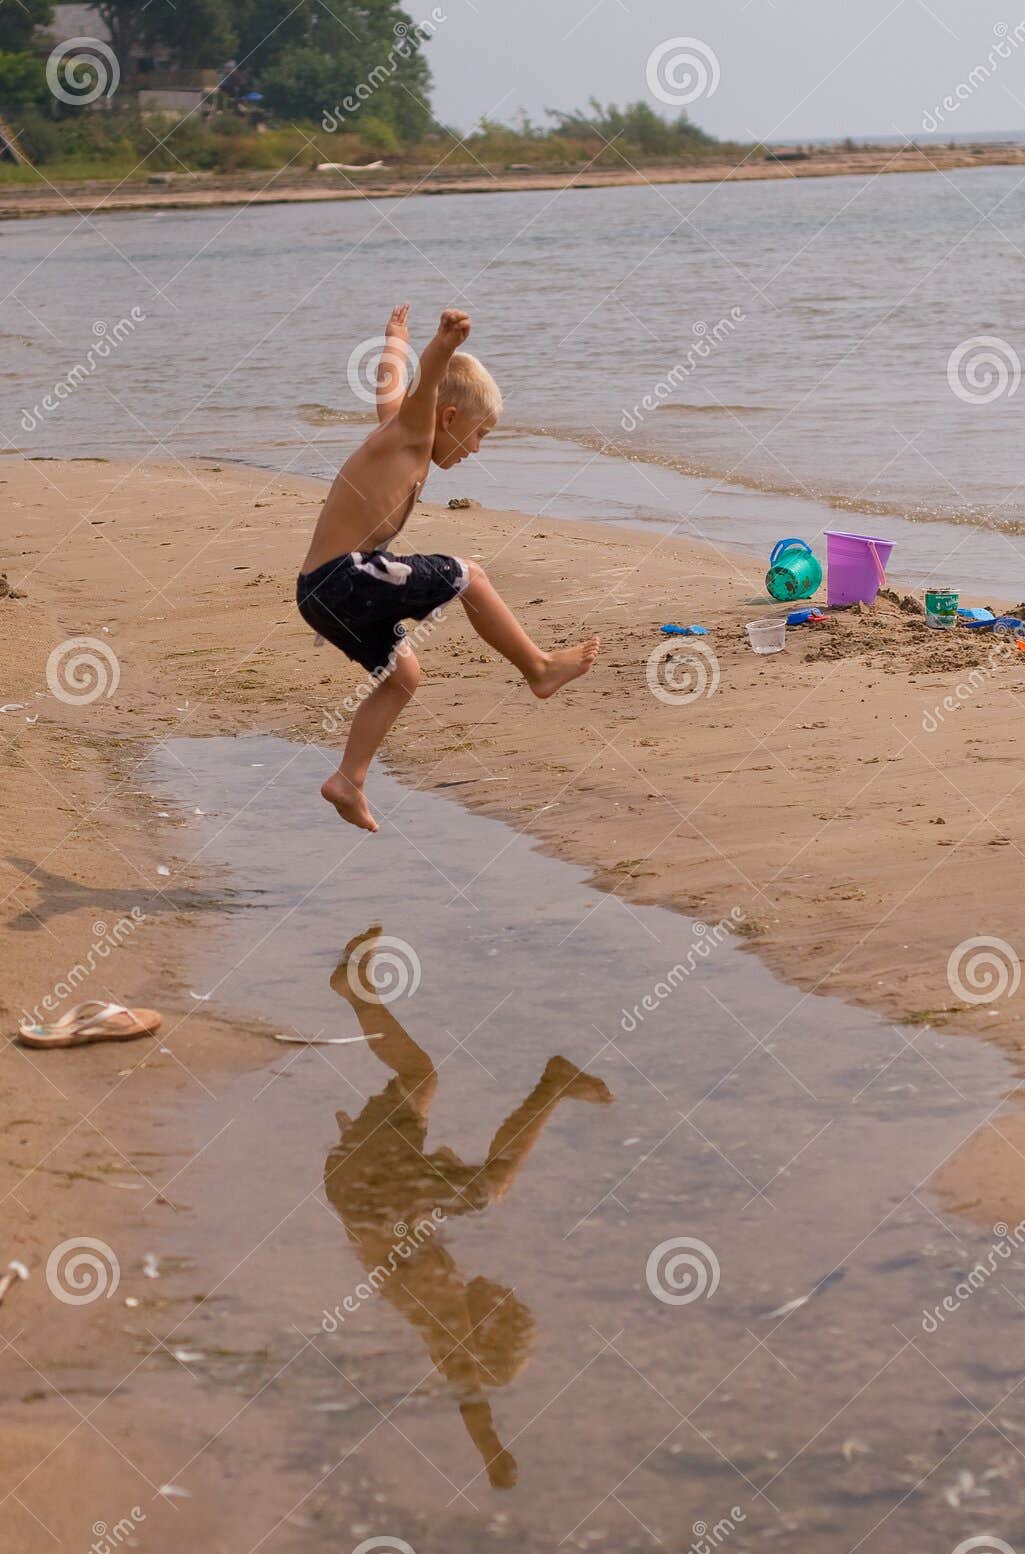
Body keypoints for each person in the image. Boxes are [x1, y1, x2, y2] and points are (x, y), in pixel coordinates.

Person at [323, 927, 613, 1488]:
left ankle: (553, 1083)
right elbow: (471, 1395)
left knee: (487, 1188)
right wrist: (491, 1450)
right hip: (359, 1185)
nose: (504, 1292)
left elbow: (468, 1393)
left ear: (483, 1329)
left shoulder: (442, 1319)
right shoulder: (440, 1315)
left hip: (373, 1192)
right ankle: (354, 990)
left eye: (504, 1308)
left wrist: (492, 1453)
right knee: (419, 1076)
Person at [297, 305, 600, 831]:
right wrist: (443, 343)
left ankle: (348, 780)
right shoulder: (414, 431)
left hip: (322, 592)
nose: (477, 450)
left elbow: (387, 387)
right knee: (468, 575)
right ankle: (539, 668)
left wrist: (395, 339)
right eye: (479, 434)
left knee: (402, 676)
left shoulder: (399, 429)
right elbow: (426, 383)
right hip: (342, 577)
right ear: (449, 418)